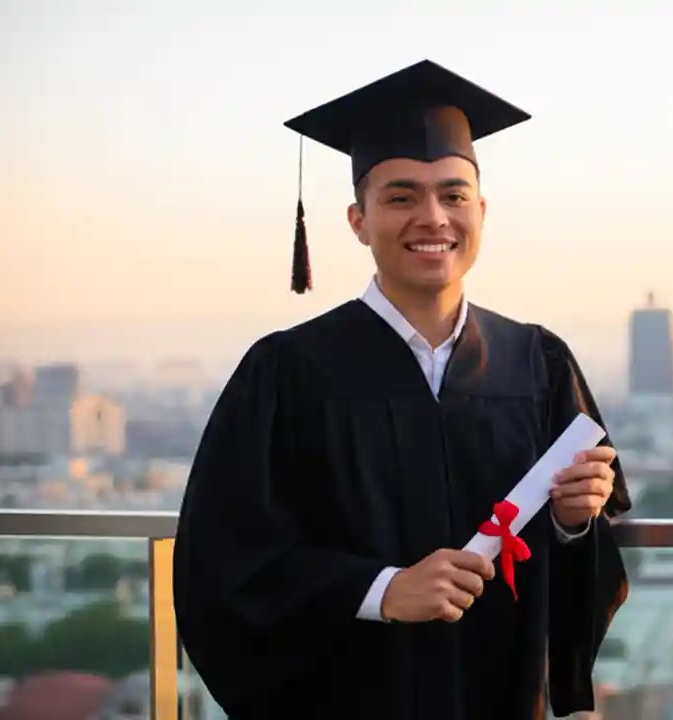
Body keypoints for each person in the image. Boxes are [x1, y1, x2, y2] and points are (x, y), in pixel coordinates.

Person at [172, 59, 632, 719]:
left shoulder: (537, 364)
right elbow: (223, 565)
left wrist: (568, 522)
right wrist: (382, 591)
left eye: (452, 194)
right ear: (358, 220)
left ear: (481, 211)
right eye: (400, 196)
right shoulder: (287, 372)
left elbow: (585, 576)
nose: (432, 217)